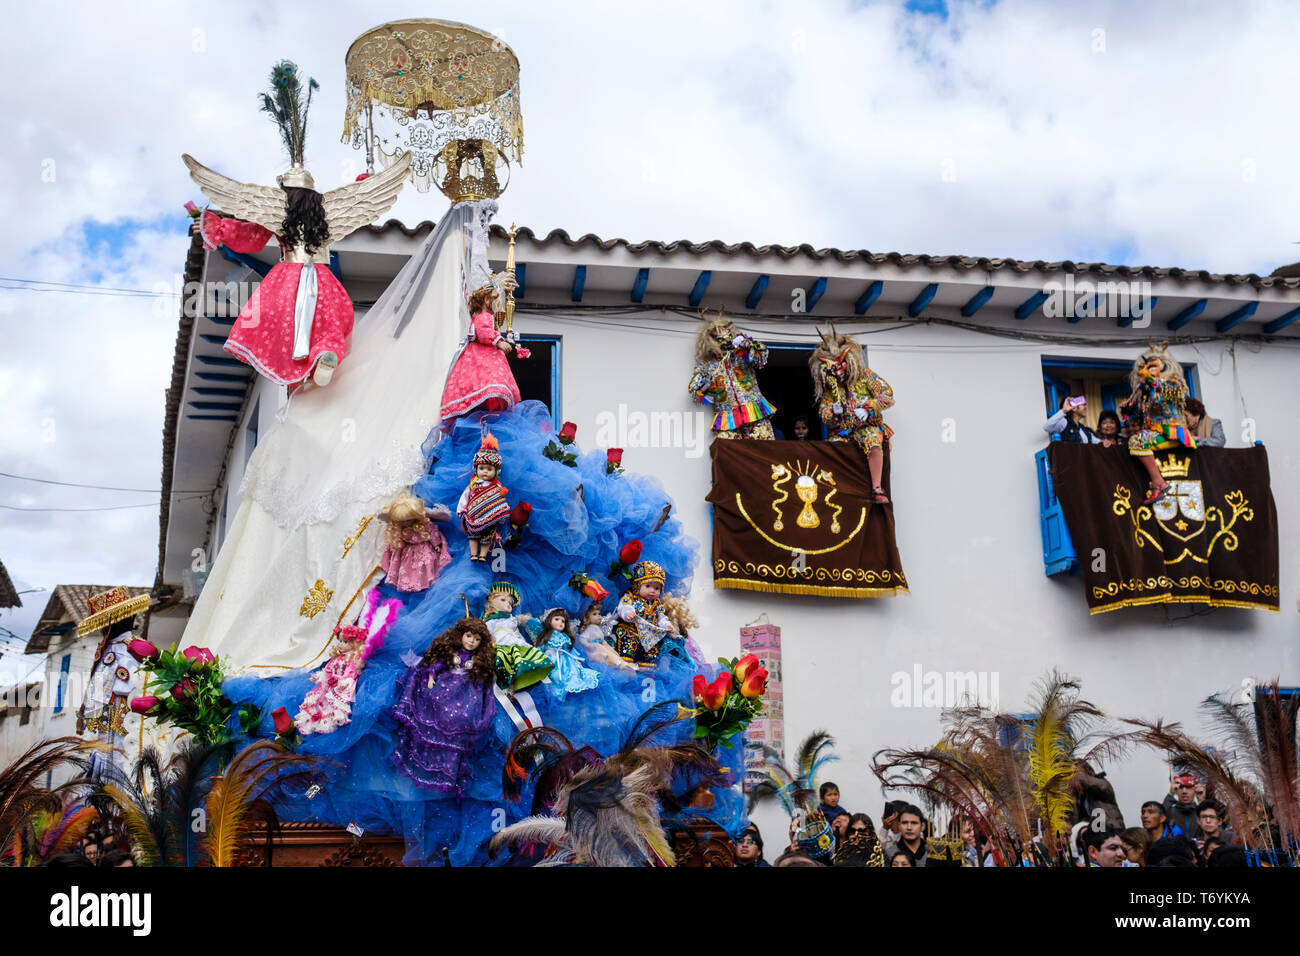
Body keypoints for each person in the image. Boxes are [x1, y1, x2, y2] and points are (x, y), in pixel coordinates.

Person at [1120, 342, 1196, 504]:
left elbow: (1166, 392)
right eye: (1145, 366)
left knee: (1137, 442)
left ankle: (1158, 482)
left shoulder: (1174, 384)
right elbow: (1135, 417)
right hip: (1156, 432)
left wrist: (1151, 383)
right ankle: (1158, 482)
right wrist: (1128, 408)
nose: (1147, 370)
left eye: (1152, 365)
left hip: (1172, 432)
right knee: (1135, 439)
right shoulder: (1145, 391)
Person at [1070, 759, 1125, 830]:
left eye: (1075, 772)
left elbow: (1101, 787)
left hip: (1112, 830)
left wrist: (1077, 775)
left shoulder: (1101, 782)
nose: (1072, 777)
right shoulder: (1076, 798)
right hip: (1093, 836)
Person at [1162, 776, 1203, 841]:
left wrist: (1202, 801)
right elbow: (1159, 819)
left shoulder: (1201, 812)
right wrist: (1170, 794)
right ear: (1176, 790)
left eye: (1188, 787)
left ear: (1195, 790)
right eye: (1180, 787)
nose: (1184, 791)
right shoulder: (1170, 811)